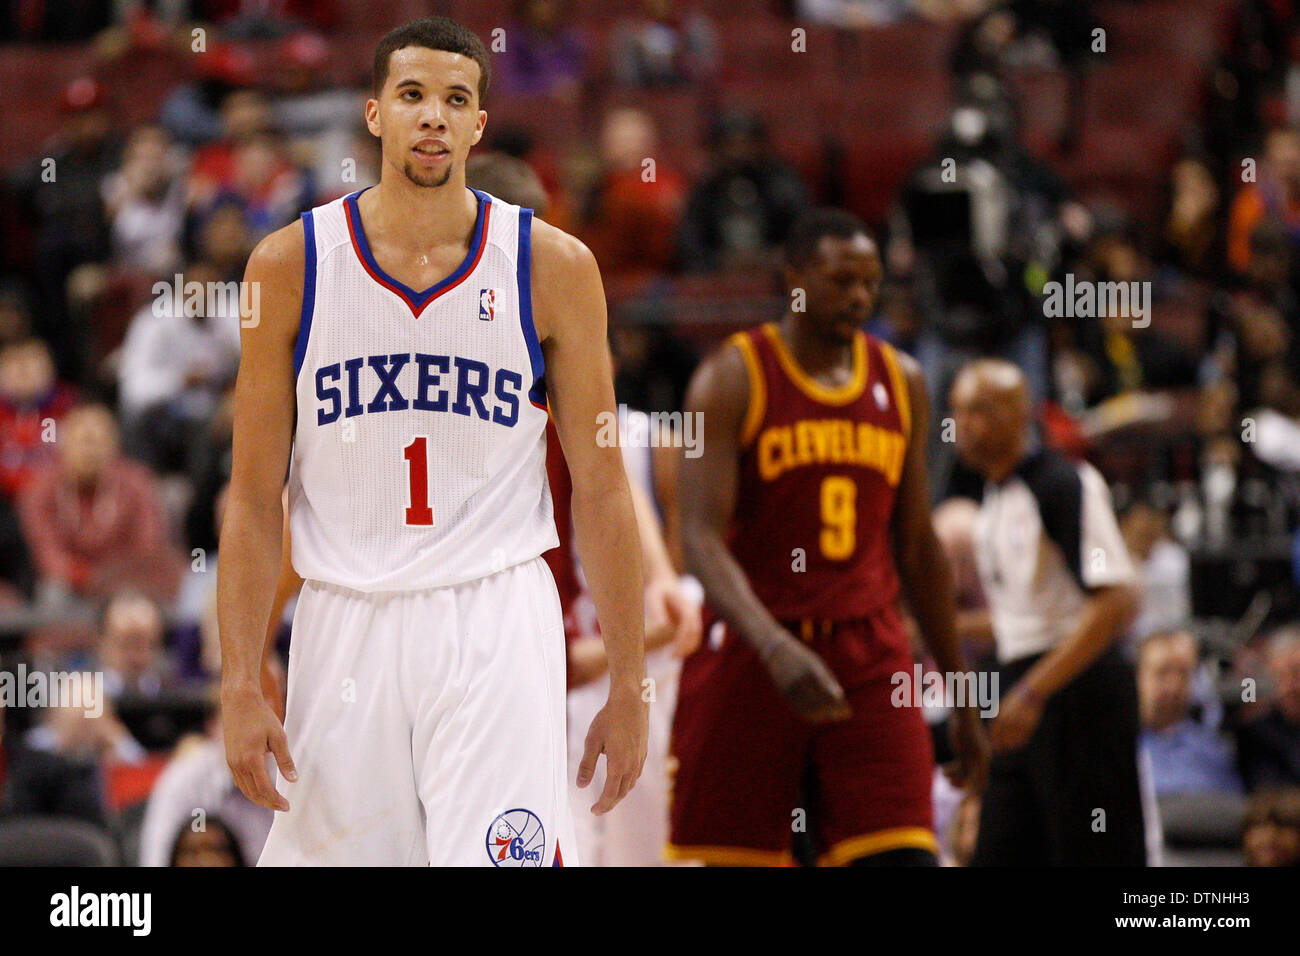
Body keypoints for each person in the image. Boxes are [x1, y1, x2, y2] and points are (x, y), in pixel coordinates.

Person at [218, 16, 648, 867]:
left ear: (478, 124)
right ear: (374, 113)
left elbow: (601, 487)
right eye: (412, 96)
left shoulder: (553, 267)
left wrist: (629, 683)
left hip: (496, 613)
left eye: (456, 100)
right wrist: (237, 679)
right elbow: (252, 495)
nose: (433, 117)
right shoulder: (288, 265)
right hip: (344, 616)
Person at [669, 208, 988, 866]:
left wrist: (960, 691)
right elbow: (698, 538)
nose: (861, 298)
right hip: (756, 650)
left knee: (903, 855)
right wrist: (776, 647)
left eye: (871, 283)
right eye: (843, 280)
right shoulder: (732, 377)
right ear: (793, 281)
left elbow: (919, 545)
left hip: (867, 652)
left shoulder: (902, 380)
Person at [949, 358, 1146, 865]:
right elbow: (1025, 618)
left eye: (978, 411)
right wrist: (930, 629)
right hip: (1023, 687)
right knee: (1001, 848)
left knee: (1091, 852)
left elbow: (1118, 598)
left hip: (1078, 693)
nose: (961, 425)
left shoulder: (1064, 482)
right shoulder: (991, 502)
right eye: (956, 412)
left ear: (1019, 416)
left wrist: (1035, 689)